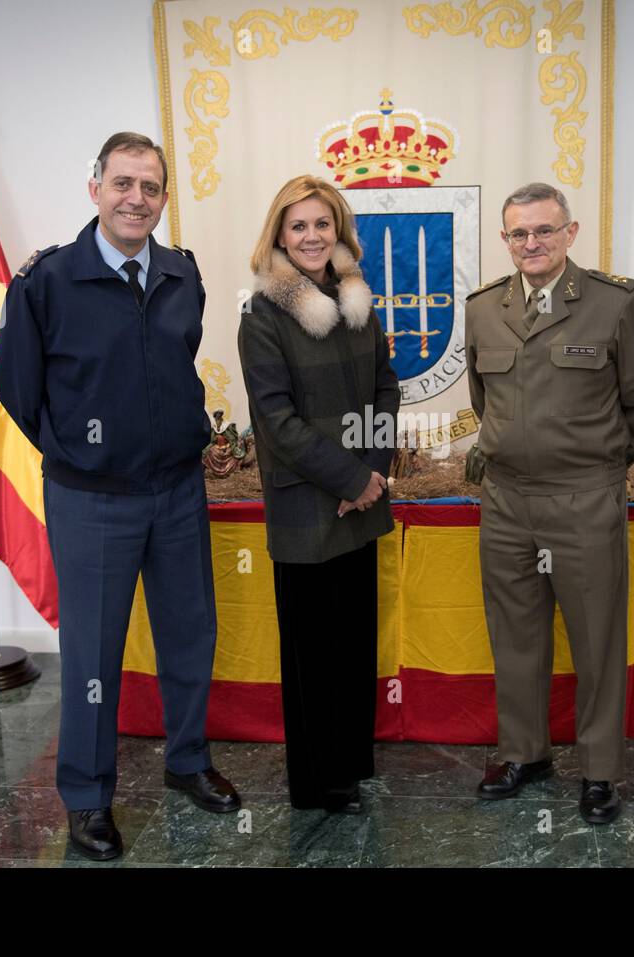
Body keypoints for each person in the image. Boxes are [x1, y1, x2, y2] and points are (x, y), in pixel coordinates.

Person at [0, 131, 240, 861]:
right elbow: (16, 385)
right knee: (94, 654)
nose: (137, 198)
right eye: (123, 183)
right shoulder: (47, 281)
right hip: (91, 500)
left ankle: (187, 760)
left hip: (176, 490)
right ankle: (88, 796)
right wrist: (77, 452)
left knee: (190, 635)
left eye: (151, 187)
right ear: (94, 187)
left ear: (165, 198)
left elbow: (176, 367)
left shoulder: (180, 274)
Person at [464, 182, 634, 824]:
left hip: (584, 500)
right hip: (506, 502)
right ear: (504, 239)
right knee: (515, 634)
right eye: (518, 233)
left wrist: (598, 464)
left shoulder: (614, 305)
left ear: (571, 233)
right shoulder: (483, 309)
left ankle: (600, 769)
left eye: (544, 231)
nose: (531, 243)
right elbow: (483, 401)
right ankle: (525, 751)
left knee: (598, 637)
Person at [237, 175, 399, 813]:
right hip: (308, 501)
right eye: (298, 225)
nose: (311, 236)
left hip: (363, 493)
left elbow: (387, 387)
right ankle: (318, 782)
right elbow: (275, 422)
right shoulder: (262, 314)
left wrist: (375, 469)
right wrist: (351, 479)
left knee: (355, 639)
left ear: (339, 231)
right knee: (313, 650)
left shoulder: (358, 300)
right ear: (279, 233)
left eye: (322, 224)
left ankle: (351, 763)